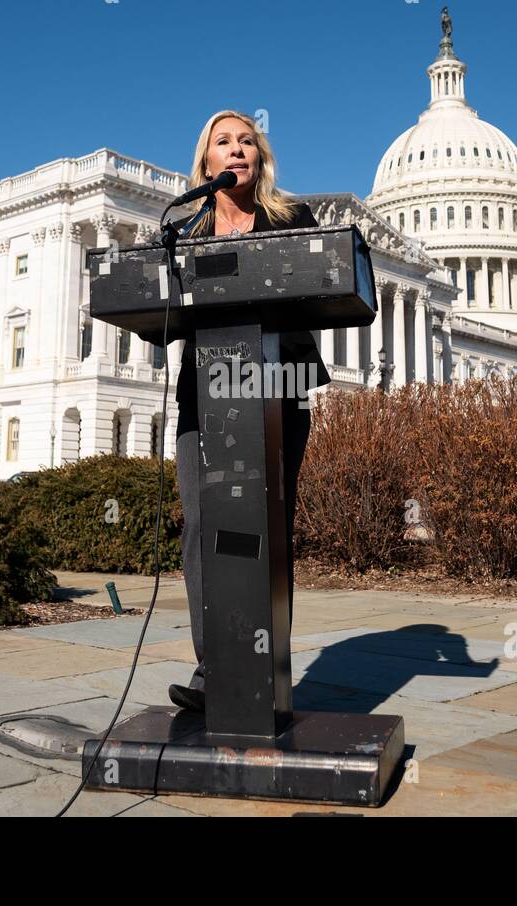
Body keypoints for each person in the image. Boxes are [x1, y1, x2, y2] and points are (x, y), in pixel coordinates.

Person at [166, 109, 331, 713]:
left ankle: (267, 669)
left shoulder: (292, 220)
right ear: (206, 161)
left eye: (247, 142)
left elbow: (316, 292)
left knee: (266, 531)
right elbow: (156, 316)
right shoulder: (185, 231)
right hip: (201, 400)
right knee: (200, 530)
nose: (236, 151)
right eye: (223, 143)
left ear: (259, 158)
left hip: (275, 389)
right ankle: (213, 669)